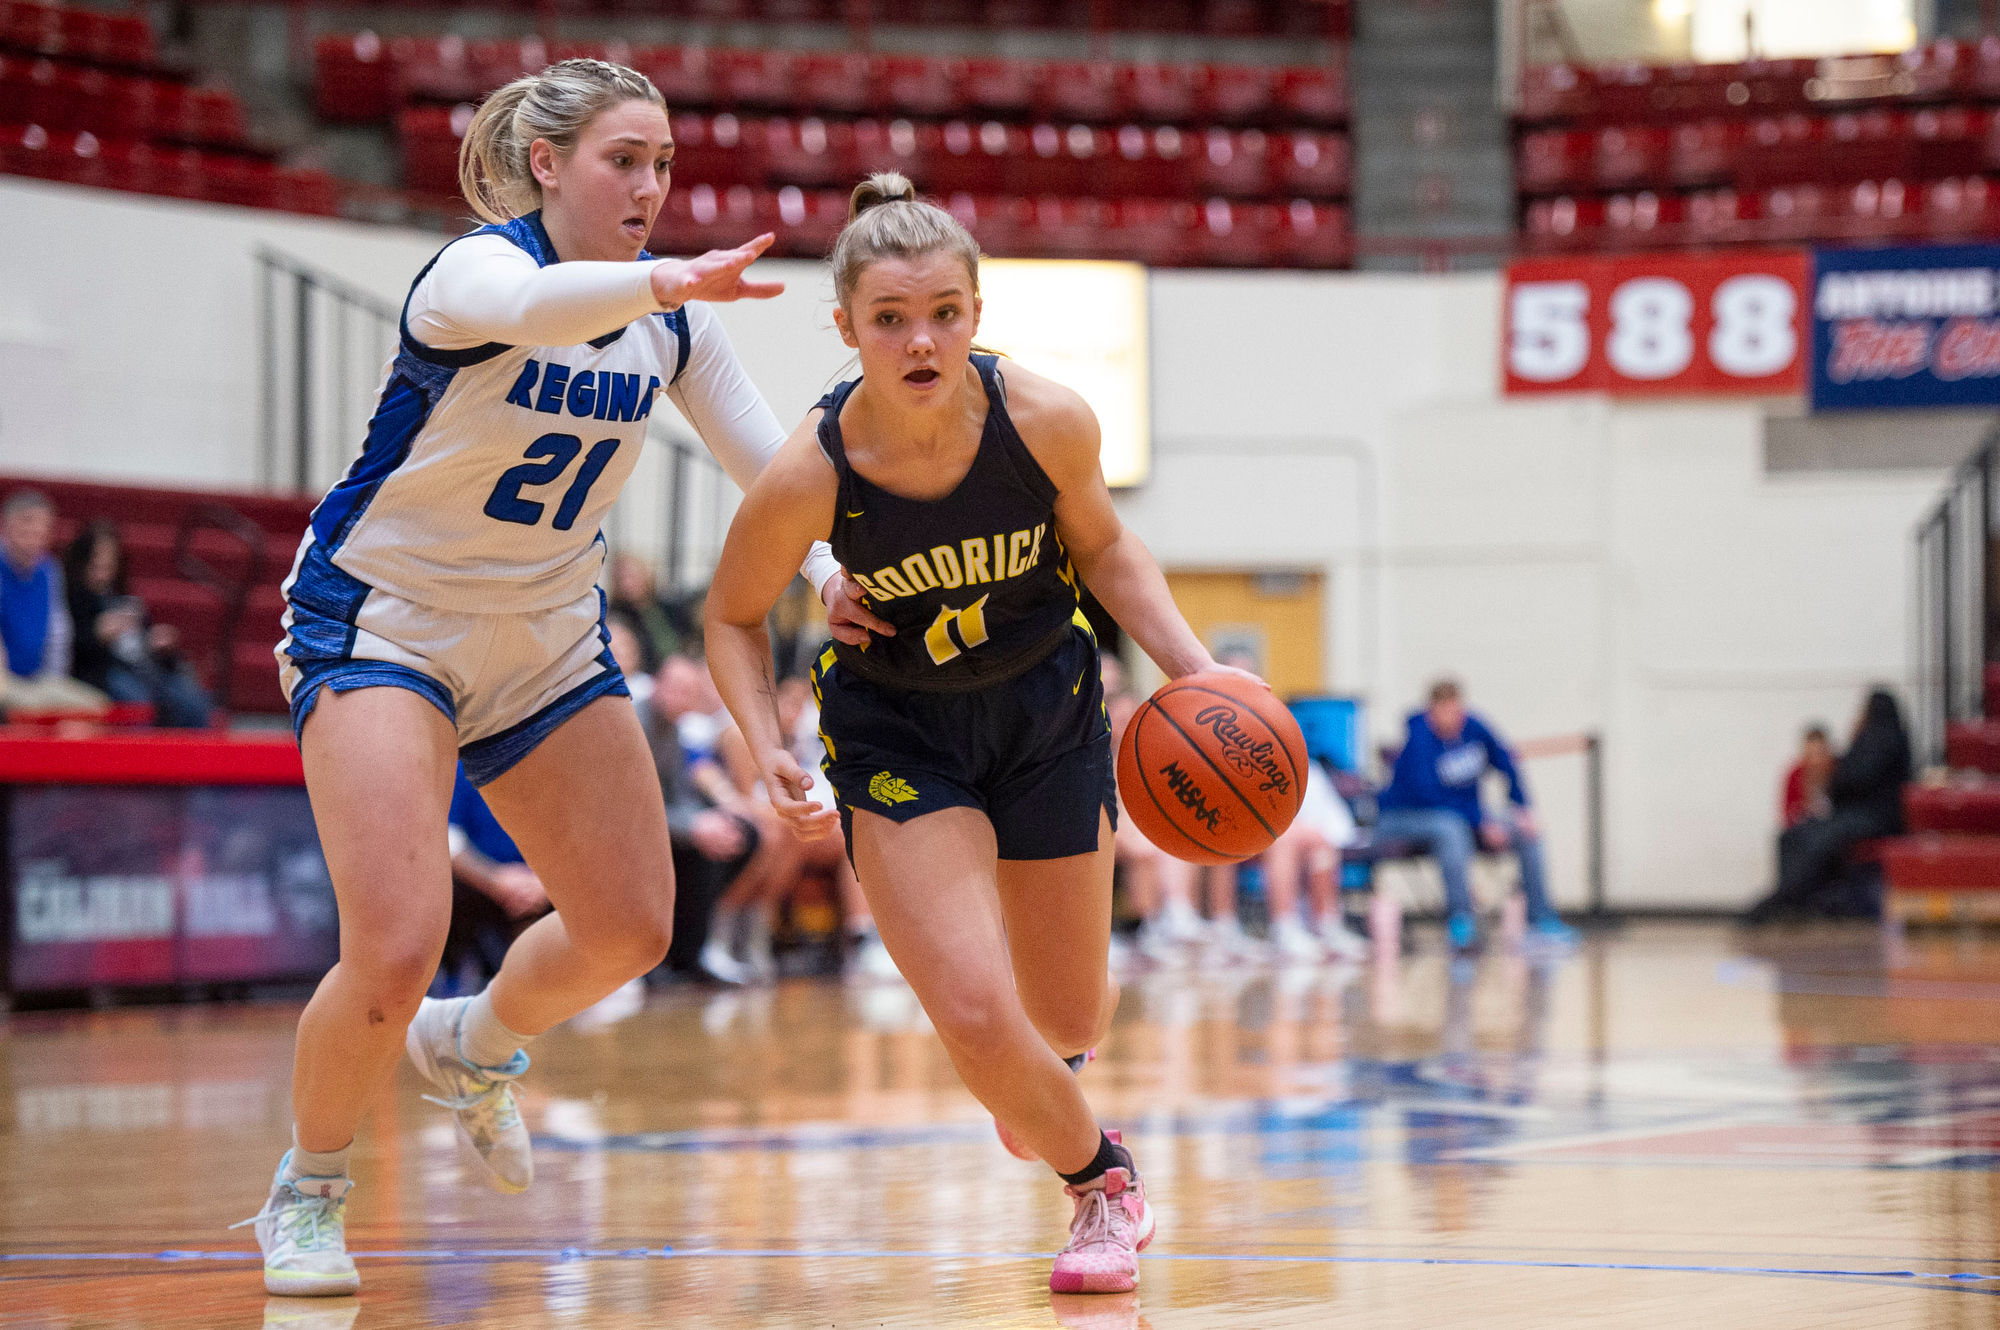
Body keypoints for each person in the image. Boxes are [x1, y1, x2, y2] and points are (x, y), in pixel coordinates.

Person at [238, 58, 878, 1298]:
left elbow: (762, 450)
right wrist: (654, 278)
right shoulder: (476, 272)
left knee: (633, 924)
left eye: (662, 165)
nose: (649, 186)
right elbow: (538, 314)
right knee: (394, 942)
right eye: (622, 160)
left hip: (542, 634)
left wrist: (820, 563)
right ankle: (308, 1193)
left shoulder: (673, 317)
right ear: (547, 164)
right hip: (388, 621)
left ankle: (471, 1045)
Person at [703, 173, 1262, 1295]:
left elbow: (1105, 550)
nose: (920, 341)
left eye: (943, 314)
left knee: (1062, 1015)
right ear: (846, 327)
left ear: (976, 312)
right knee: (970, 1009)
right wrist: (763, 734)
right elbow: (729, 612)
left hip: (1045, 712)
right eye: (890, 320)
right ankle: (1102, 1186)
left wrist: (1195, 670)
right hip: (896, 729)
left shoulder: (1044, 419)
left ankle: (1047, 1079)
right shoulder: (811, 472)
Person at [1375, 678, 1576, 954]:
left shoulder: (1474, 727)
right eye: (1444, 712)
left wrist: (1522, 807)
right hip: (1402, 816)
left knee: (1525, 829)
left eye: (1456, 711)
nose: (1451, 719)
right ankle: (1461, 921)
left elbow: (1506, 761)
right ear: (1431, 711)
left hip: (1460, 815)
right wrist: (1482, 820)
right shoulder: (1419, 738)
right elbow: (1430, 795)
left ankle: (1540, 920)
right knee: (1451, 829)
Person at [637, 653, 757, 983]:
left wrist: (709, 821)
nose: (681, 696)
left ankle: (693, 950)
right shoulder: (635, 722)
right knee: (702, 844)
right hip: (624, 834)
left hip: (660, 824)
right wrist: (693, 826)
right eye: (675, 687)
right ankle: (664, 957)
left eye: (689, 690)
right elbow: (629, 807)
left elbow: (679, 795)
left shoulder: (673, 729)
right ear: (656, 684)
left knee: (742, 835)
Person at [1747, 689, 1911, 924]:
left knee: (1818, 838)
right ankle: (1789, 896)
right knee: (1792, 836)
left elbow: (1853, 779)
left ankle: (1790, 899)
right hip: (1854, 814)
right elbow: (1792, 810)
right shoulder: (1798, 772)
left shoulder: (1883, 738)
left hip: (1876, 818)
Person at [63, 519, 213, 728]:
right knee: (135, 700)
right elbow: (67, 646)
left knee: (190, 697)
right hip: (102, 672)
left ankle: (192, 757)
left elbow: (143, 641)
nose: (104, 565)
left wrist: (155, 640)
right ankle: (141, 758)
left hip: (143, 668)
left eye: (110, 558)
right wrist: (98, 635)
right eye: (97, 558)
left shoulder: (126, 599)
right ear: (83, 560)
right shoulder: (71, 597)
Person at [0, 490, 107, 716]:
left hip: (37, 679)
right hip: (4, 679)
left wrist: (52, 682)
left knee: (96, 708)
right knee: (23, 706)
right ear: (6, 526)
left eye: (41, 529)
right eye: (25, 526)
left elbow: (58, 631)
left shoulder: (50, 570)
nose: (33, 536)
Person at [607, 550, 690, 674]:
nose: (627, 584)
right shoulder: (617, 613)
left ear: (645, 575)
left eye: (632, 577)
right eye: (621, 579)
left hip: (673, 670)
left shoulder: (667, 607)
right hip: (640, 675)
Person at [1782, 724, 1834, 829]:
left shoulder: (1839, 772)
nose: (1815, 761)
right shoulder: (1795, 776)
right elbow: (1788, 814)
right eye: (1811, 755)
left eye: (1820, 754)